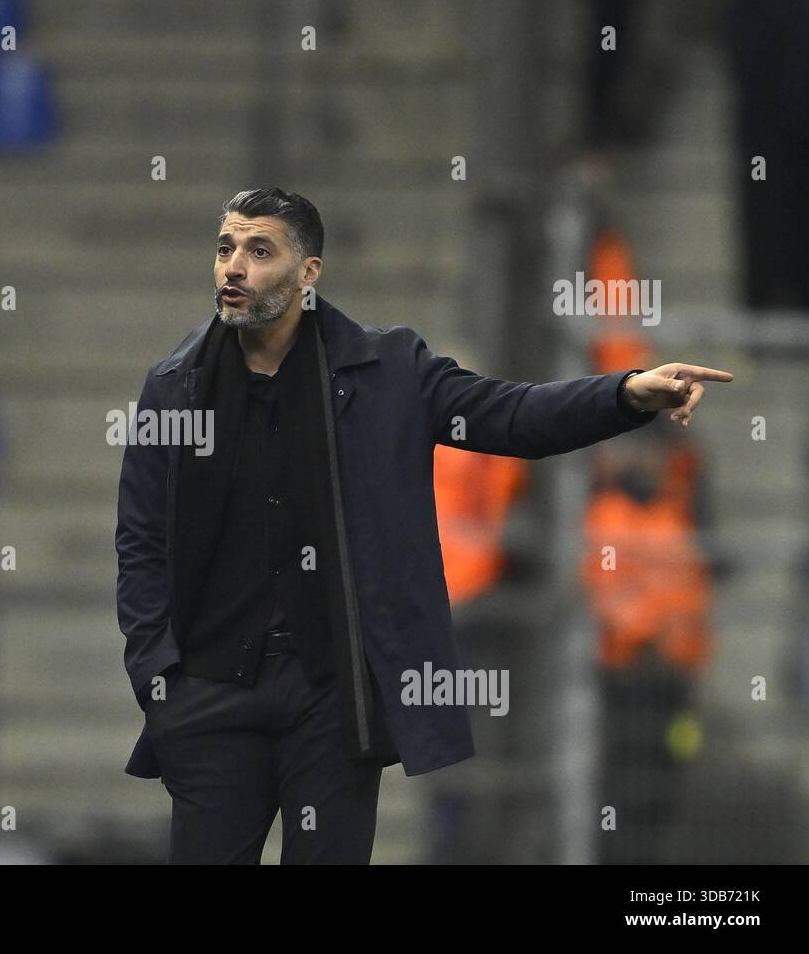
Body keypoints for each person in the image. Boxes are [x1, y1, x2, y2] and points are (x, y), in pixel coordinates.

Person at [115, 187, 733, 864]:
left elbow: (512, 415)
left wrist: (625, 391)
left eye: (259, 250)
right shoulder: (173, 388)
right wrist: (161, 682)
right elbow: (141, 540)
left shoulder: (386, 371)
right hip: (211, 695)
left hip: (333, 702)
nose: (234, 266)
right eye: (226, 247)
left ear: (308, 273)